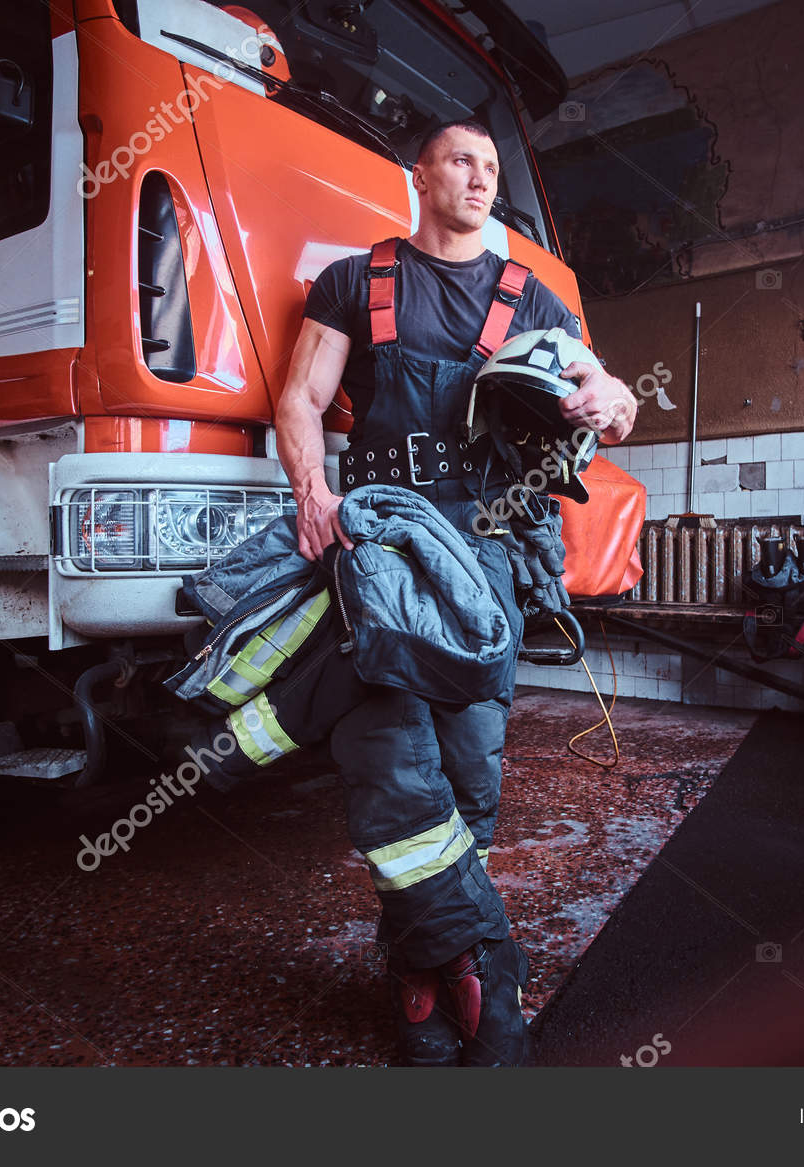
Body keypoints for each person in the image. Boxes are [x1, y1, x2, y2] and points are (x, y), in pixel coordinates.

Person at [274, 119, 637, 1066]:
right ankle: (481, 972)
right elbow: (300, 399)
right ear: (421, 176)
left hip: (483, 551)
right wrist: (315, 497)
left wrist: (609, 399)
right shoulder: (356, 282)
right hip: (388, 545)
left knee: (470, 777)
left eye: (491, 167)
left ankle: (423, 967)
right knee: (393, 762)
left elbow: (616, 398)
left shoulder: (533, 298)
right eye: (462, 161)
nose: (481, 177)